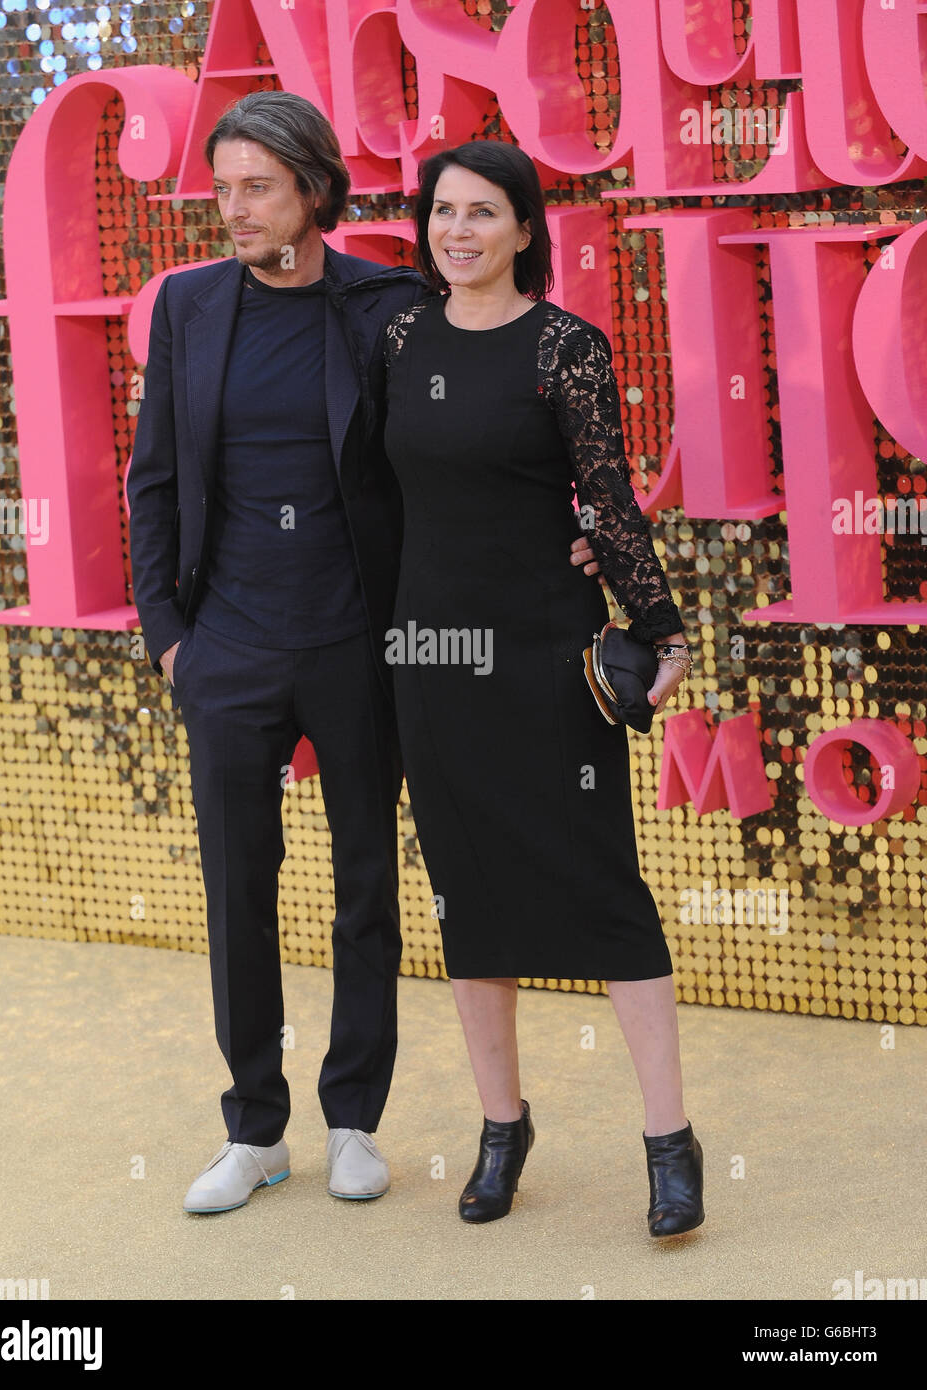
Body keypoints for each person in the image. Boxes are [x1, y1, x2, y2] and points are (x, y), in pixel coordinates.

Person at [382, 140, 703, 1236]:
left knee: (602, 885)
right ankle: (501, 1127)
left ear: (526, 230)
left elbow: (606, 497)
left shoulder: (565, 347)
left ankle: (668, 1139)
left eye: (482, 213)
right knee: (468, 896)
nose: (456, 230)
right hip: (430, 655)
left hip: (543, 654)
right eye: (441, 212)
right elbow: (375, 497)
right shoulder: (396, 337)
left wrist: (659, 626)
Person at [126, 90, 430, 1213]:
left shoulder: (384, 307)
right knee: (236, 890)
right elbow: (151, 479)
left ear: (313, 189)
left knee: (364, 888)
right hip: (229, 650)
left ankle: (354, 1117)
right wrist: (171, 642)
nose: (233, 210)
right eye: (222, 189)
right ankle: (255, 1128)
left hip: (357, 641)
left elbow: (442, 464)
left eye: (256, 187)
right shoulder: (191, 309)